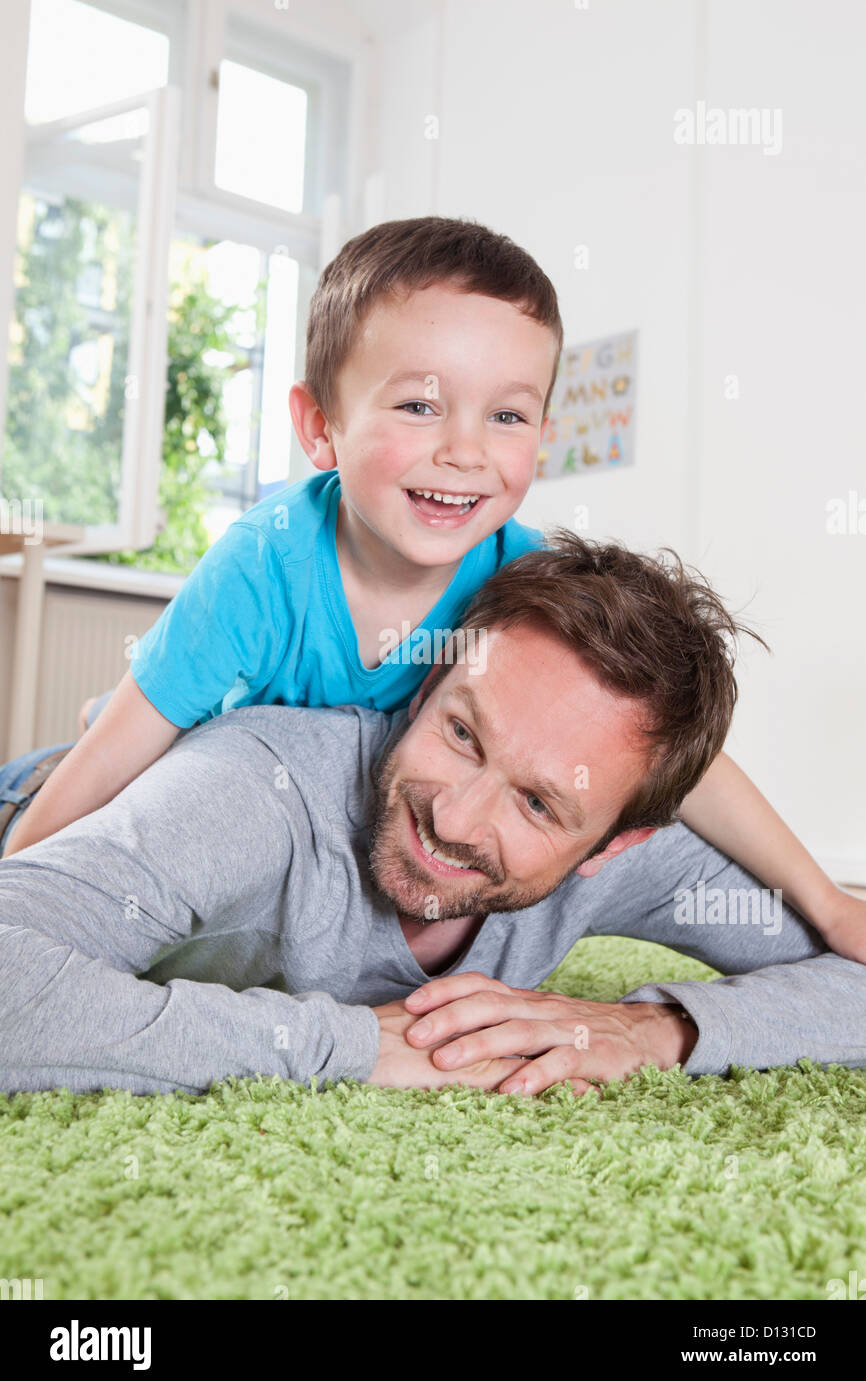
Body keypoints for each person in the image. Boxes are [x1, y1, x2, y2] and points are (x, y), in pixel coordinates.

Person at [2, 216, 864, 966]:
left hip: (314, 824)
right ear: (319, 427)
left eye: (507, 416)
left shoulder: (523, 580)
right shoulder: (257, 572)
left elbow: (677, 753)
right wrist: (21, 888)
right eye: (419, 405)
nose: (465, 451)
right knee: (106, 752)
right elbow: (100, 780)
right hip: (125, 779)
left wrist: (825, 903)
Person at [0, 534, 864, 1098]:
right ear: (424, 686)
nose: (453, 817)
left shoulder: (641, 849)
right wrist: (347, 1045)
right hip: (45, 812)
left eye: (537, 802)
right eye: (461, 732)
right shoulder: (259, 789)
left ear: (617, 843)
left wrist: (658, 1026)